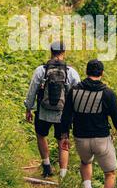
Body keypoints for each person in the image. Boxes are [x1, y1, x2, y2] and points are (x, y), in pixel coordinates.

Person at [60, 59, 117, 188]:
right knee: (110, 173)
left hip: (80, 138)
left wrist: (64, 135)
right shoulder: (108, 93)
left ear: (86, 72)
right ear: (102, 73)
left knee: (85, 162)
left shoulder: (74, 91)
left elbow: (66, 115)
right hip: (101, 139)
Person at [25, 41, 80, 178]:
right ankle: (63, 175)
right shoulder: (71, 72)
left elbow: (32, 90)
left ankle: (47, 166)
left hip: (43, 112)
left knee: (41, 135)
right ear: (64, 53)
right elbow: (78, 94)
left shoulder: (41, 70)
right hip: (63, 114)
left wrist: (28, 108)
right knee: (63, 140)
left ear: (51, 52)